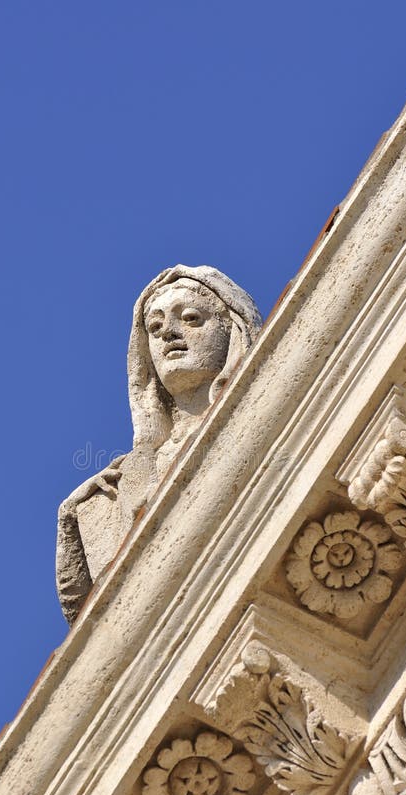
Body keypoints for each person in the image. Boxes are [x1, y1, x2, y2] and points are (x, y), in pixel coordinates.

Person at [56, 264, 262, 624]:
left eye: (192, 318)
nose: (169, 332)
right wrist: (76, 514)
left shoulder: (259, 415)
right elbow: (97, 627)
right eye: (154, 327)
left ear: (232, 330)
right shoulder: (116, 487)